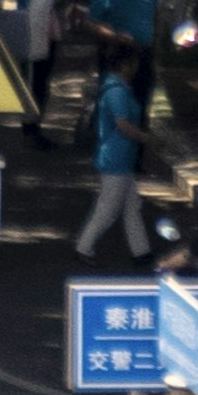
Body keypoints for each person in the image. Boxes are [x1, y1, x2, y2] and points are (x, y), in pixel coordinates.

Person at [78, 61, 153, 264]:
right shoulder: (117, 92)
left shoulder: (114, 87)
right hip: (116, 158)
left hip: (121, 157)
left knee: (131, 206)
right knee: (108, 207)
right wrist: (145, 138)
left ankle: (141, 251)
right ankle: (84, 247)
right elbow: (123, 124)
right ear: (125, 66)